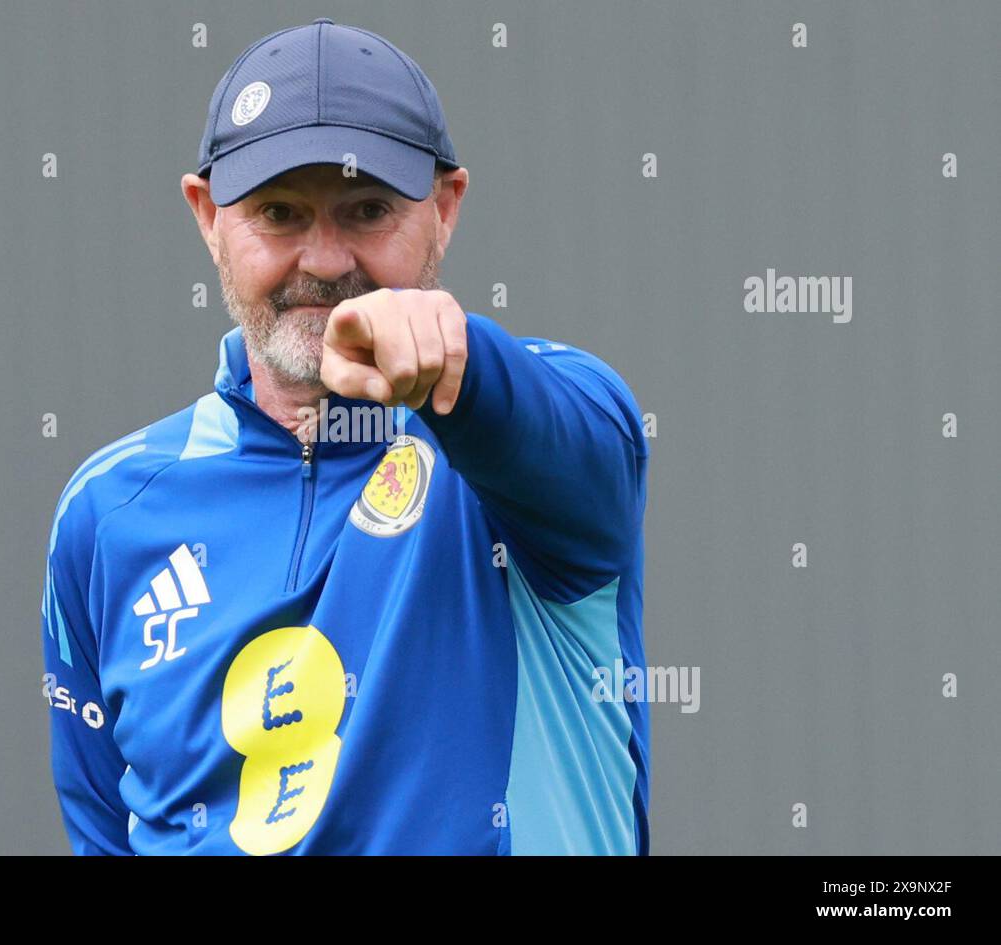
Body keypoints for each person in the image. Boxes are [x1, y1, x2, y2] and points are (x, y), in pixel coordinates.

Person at [41, 18, 650, 855]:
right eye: (280, 213)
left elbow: (576, 452)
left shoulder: (532, 427)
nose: (325, 261)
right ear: (207, 216)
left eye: (367, 210)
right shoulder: (106, 512)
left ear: (445, 208)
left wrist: (459, 369)